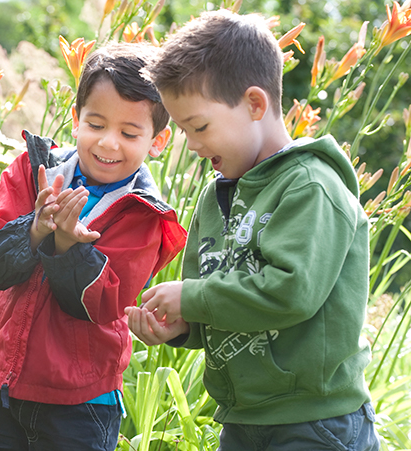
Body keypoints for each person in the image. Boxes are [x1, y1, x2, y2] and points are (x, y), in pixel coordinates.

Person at [125, 9, 381, 450]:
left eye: (199, 126)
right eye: (184, 130)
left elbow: (290, 291)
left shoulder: (311, 187)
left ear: (255, 104)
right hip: (243, 421)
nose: (193, 144)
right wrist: (184, 326)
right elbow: (220, 300)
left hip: (315, 422)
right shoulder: (215, 196)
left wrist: (192, 297)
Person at [0, 42, 187, 451]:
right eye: (96, 124)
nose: (108, 143)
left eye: (129, 132)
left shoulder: (144, 214)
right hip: (5, 384)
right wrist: (34, 229)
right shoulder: (35, 171)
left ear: (158, 140)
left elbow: (103, 306)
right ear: (75, 119)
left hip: (80, 404)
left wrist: (66, 246)